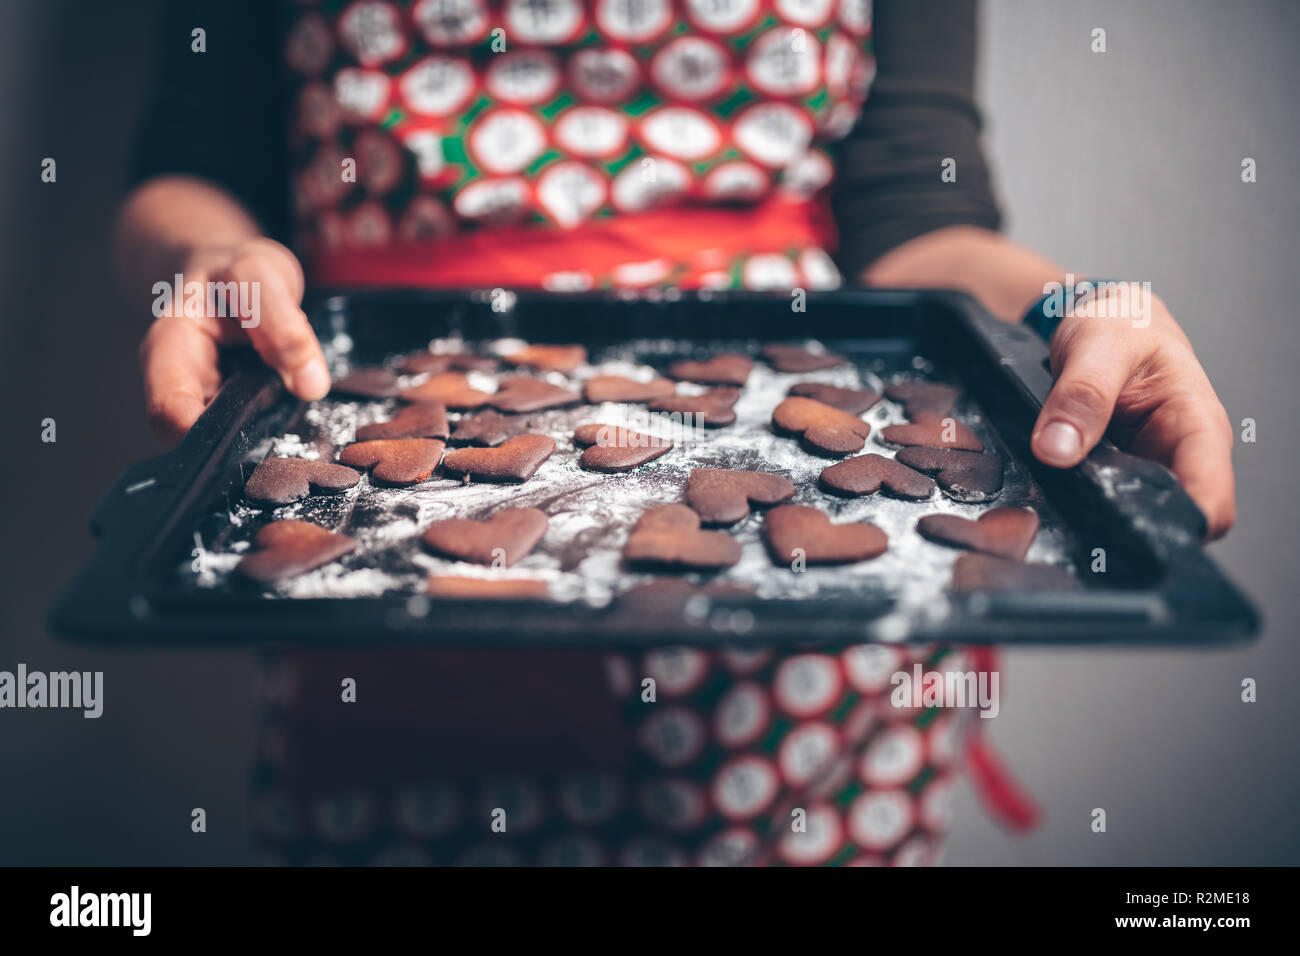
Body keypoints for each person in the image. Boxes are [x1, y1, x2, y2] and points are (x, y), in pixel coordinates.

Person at [114, 0, 1235, 865]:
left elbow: (917, 219)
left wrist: (1075, 306)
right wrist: (202, 261)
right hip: (400, 549)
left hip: (811, 649)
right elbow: (193, 163)